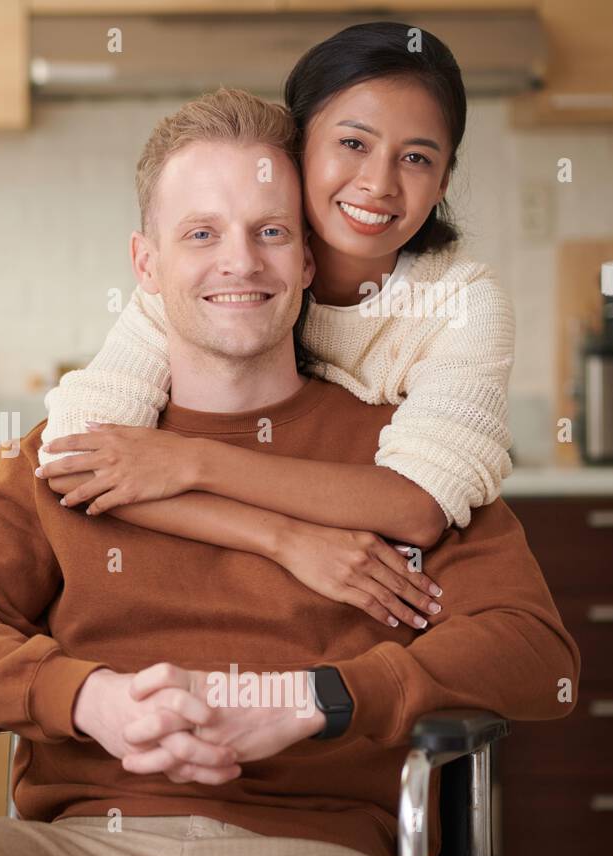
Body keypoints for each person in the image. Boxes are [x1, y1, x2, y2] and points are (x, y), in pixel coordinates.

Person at [0, 88, 577, 856]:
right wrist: (89, 699)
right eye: (201, 233)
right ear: (147, 263)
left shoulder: (403, 455)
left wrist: (322, 698)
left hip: (308, 848)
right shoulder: (70, 452)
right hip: (75, 843)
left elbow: (536, 653)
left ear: (305, 259)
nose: (239, 262)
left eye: (269, 232)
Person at [38, 22, 512, 634]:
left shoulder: (462, 301)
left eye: (416, 157)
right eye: (353, 143)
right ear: (300, 147)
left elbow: (419, 507)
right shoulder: (236, 277)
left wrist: (190, 462)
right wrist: (282, 539)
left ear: (444, 179)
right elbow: (76, 451)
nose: (379, 183)